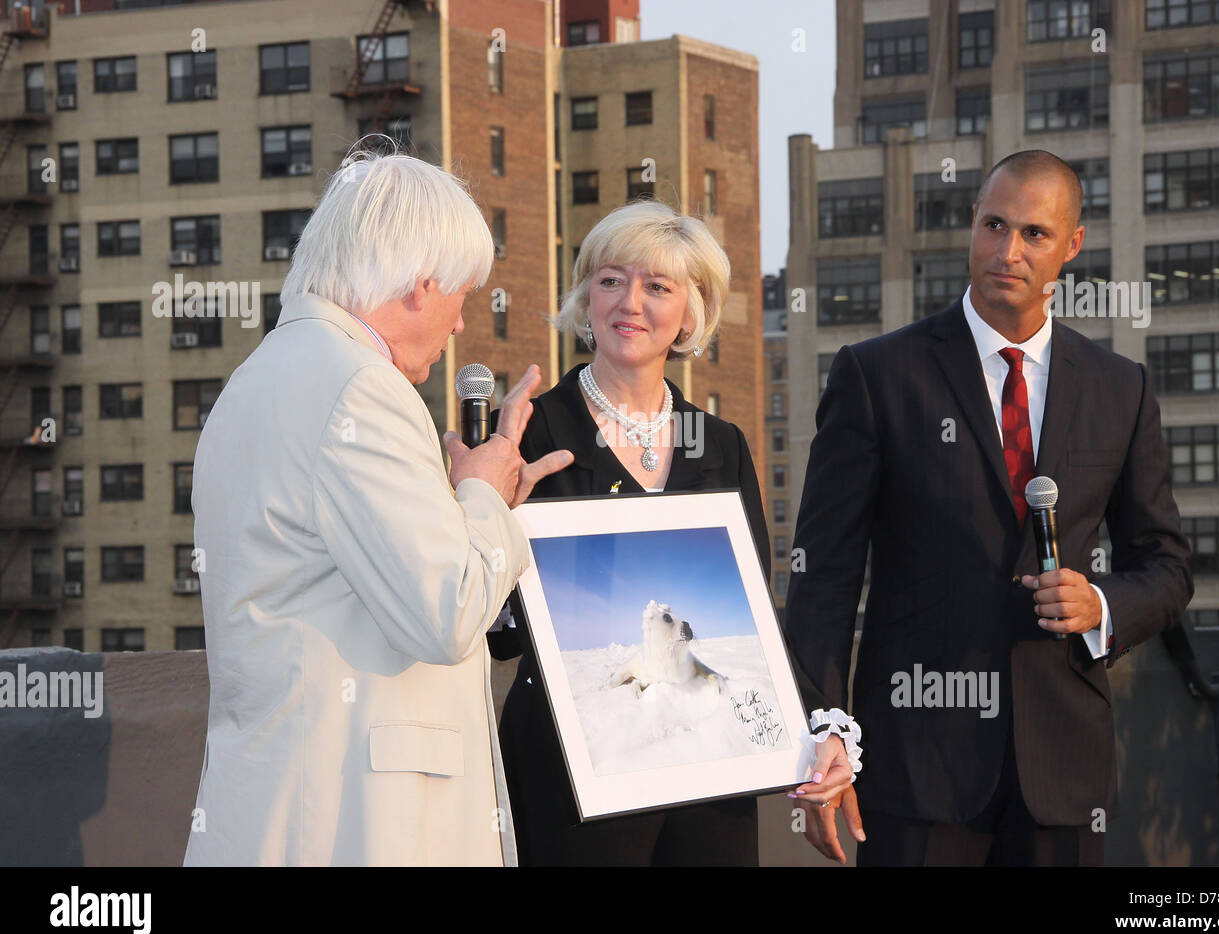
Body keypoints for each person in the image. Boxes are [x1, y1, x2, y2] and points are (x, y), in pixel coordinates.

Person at [784, 150, 1194, 866]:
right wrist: (823, 730)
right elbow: (823, 576)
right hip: (914, 771)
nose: (1008, 252)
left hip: (1066, 774)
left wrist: (1100, 604)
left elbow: (1167, 566)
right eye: (994, 225)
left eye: (1035, 234)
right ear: (973, 222)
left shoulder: (1120, 388)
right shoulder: (876, 375)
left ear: (1072, 245)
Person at [182, 145, 572, 866]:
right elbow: (447, 613)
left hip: (275, 807)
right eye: (462, 295)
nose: (460, 325)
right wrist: (485, 494)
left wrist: (459, 506)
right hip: (360, 824)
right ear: (422, 285)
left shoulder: (252, 380)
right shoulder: (361, 388)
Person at [487, 201, 789, 865]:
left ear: (691, 311)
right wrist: (488, 517)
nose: (630, 303)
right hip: (571, 773)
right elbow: (499, 636)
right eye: (611, 281)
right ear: (585, 297)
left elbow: (756, 609)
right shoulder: (530, 433)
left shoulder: (721, 443)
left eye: (657, 286)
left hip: (710, 774)